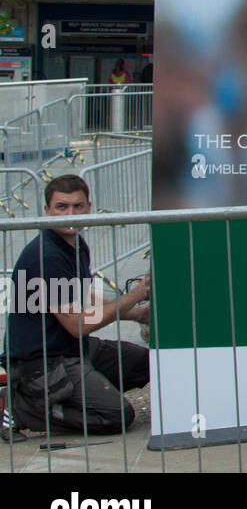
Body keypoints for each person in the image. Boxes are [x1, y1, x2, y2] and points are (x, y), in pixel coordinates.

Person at [4, 174, 151, 435]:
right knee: (117, 415)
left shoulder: (75, 245)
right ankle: (21, 407)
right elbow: (77, 324)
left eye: (77, 206)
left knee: (146, 363)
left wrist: (136, 314)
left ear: (89, 208)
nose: (70, 214)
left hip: (74, 350)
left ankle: (79, 392)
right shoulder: (46, 257)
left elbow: (81, 298)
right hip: (43, 363)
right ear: (46, 210)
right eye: (62, 207)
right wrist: (135, 295)